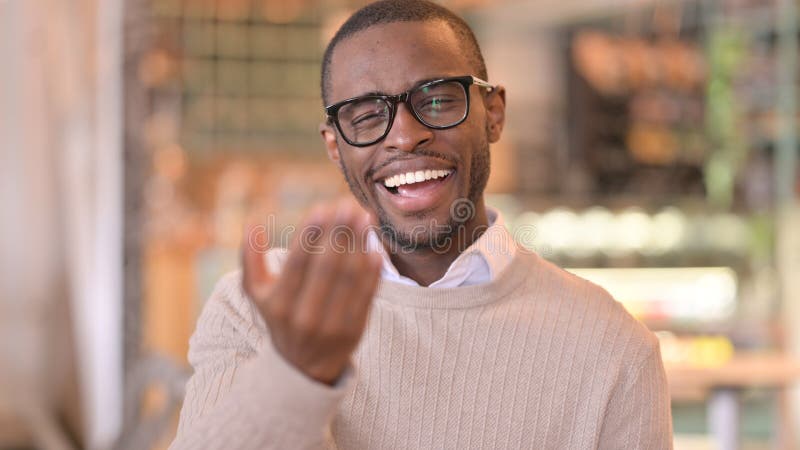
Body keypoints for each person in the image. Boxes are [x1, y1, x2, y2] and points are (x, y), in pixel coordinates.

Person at [170, 1, 673, 448]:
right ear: (334, 146)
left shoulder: (613, 350)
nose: (406, 136)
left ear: (493, 114)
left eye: (436, 100)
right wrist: (297, 374)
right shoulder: (255, 309)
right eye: (365, 115)